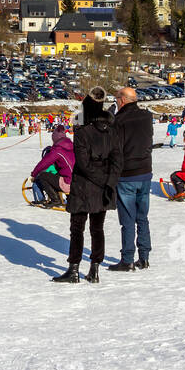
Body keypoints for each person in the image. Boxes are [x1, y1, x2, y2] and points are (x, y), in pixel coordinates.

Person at [52, 93, 121, 284]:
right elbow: (118, 161)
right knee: (97, 229)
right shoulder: (112, 132)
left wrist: (103, 181)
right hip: (103, 186)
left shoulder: (83, 132)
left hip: (84, 186)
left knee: (77, 229)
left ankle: (74, 270)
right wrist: (109, 183)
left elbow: (82, 163)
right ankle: (94, 269)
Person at [109, 87, 153, 272]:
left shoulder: (119, 120)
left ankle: (127, 259)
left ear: (123, 100)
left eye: (117, 99)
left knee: (127, 219)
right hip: (145, 171)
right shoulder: (147, 116)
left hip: (127, 175)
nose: (116, 102)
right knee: (142, 217)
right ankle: (144, 258)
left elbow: (114, 148)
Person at [30, 125, 75, 208]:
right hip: (78, 182)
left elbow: (43, 163)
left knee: (43, 176)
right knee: (58, 174)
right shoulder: (72, 146)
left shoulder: (57, 150)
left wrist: (33, 174)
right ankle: (70, 198)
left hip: (68, 183)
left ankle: (56, 200)